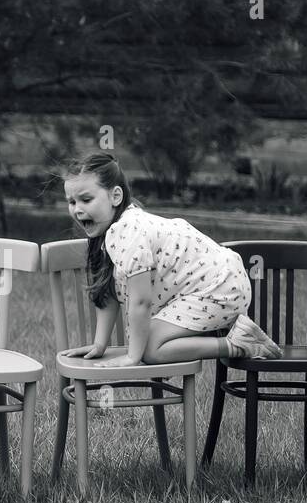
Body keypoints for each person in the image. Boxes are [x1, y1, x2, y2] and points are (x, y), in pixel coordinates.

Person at [61, 152, 282, 367]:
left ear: (115, 196)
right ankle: (218, 336)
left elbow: (141, 302)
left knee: (148, 349)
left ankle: (238, 343)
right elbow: (108, 294)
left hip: (219, 286)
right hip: (216, 282)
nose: (77, 210)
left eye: (86, 199)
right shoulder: (111, 233)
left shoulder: (127, 231)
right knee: (146, 344)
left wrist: (132, 357)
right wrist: (99, 345)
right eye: (71, 202)